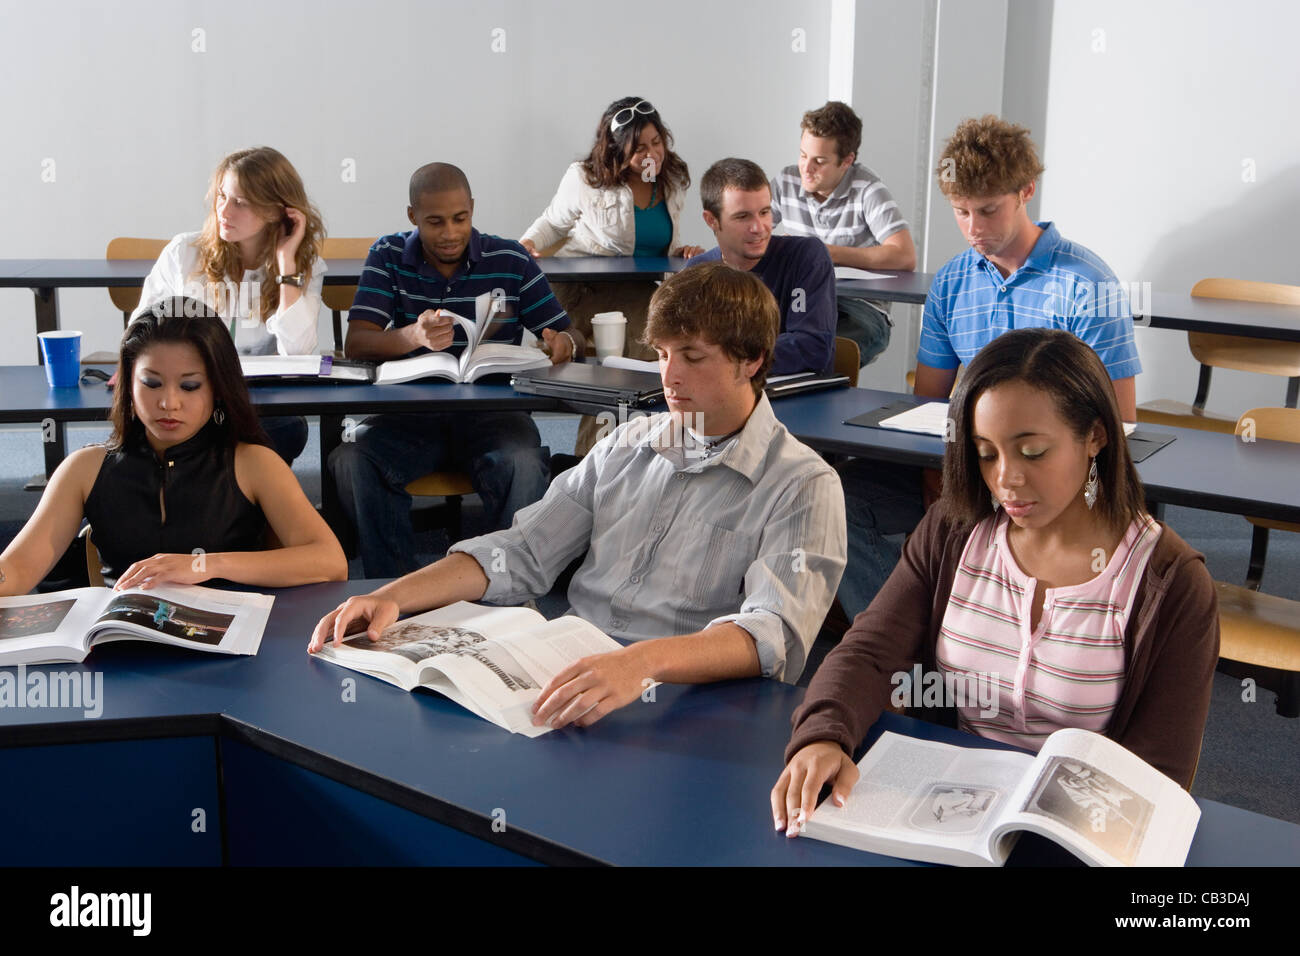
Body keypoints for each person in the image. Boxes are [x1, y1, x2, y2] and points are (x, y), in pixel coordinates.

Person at [310, 264, 847, 728]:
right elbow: (522, 550)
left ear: (751, 359)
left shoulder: (802, 485)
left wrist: (641, 663)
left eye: (692, 356)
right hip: (575, 673)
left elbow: (771, 634)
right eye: (661, 353)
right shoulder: (627, 445)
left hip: (688, 703)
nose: (669, 377)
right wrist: (395, 595)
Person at [771, 328, 1217, 840]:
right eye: (986, 453)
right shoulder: (955, 530)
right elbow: (870, 652)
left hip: (1075, 834)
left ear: (1095, 436)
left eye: (1032, 452)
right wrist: (823, 736)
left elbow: (1156, 774)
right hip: (947, 811)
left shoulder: (1171, 584)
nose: (1006, 478)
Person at [837, 115, 1143, 619]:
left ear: (1026, 191)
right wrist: (948, 474)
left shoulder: (1087, 284)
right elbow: (930, 405)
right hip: (968, 466)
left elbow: (1120, 423)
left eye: (988, 210)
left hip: (1050, 473)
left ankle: (954, 638)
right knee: (839, 499)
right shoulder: (953, 282)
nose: (974, 229)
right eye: (961, 212)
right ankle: (907, 645)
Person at [0, 298, 347, 595]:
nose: (169, 402)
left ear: (217, 388)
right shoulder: (84, 469)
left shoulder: (254, 463)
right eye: (151, 383)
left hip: (234, 651)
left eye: (190, 386)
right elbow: (16, 569)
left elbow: (330, 562)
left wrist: (203, 565)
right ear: (127, 384)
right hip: (123, 646)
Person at [331, 162, 575, 580]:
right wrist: (412, 337)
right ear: (412, 217)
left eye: (460, 218)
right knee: (352, 460)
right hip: (409, 416)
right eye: (435, 221)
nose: (449, 232)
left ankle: (505, 586)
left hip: (495, 415)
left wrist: (563, 343)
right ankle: (396, 587)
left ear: (473, 209)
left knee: (521, 461)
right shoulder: (387, 256)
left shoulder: (509, 258)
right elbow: (357, 342)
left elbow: (567, 334)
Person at [136, 146, 327, 464]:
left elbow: (298, 353)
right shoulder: (184, 252)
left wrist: (285, 264)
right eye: (222, 196)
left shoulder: (303, 266)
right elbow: (140, 331)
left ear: (276, 211)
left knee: (288, 428)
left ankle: (238, 501)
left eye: (241, 202)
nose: (224, 210)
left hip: (257, 404)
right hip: (188, 393)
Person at [521, 96, 704, 362]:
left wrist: (679, 250)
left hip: (632, 287)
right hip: (580, 287)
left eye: (656, 142)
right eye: (639, 148)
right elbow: (553, 223)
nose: (652, 154)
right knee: (650, 340)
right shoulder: (586, 177)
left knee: (669, 336)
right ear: (617, 150)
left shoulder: (672, 179)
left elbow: (651, 240)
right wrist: (528, 243)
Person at [770, 101, 917, 366]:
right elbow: (750, 233)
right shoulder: (786, 181)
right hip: (801, 299)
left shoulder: (868, 189)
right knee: (749, 341)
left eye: (819, 161)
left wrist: (825, 253)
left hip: (858, 307)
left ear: (846, 161)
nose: (806, 168)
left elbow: (904, 255)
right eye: (803, 155)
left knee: (817, 353)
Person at [688, 158, 837, 375]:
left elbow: (811, 347)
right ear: (712, 220)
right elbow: (685, 349)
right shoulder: (696, 273)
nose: (759, 228)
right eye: (742, 217)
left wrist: (725, 361)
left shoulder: (806, 257)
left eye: (765, 212)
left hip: (796, 400)